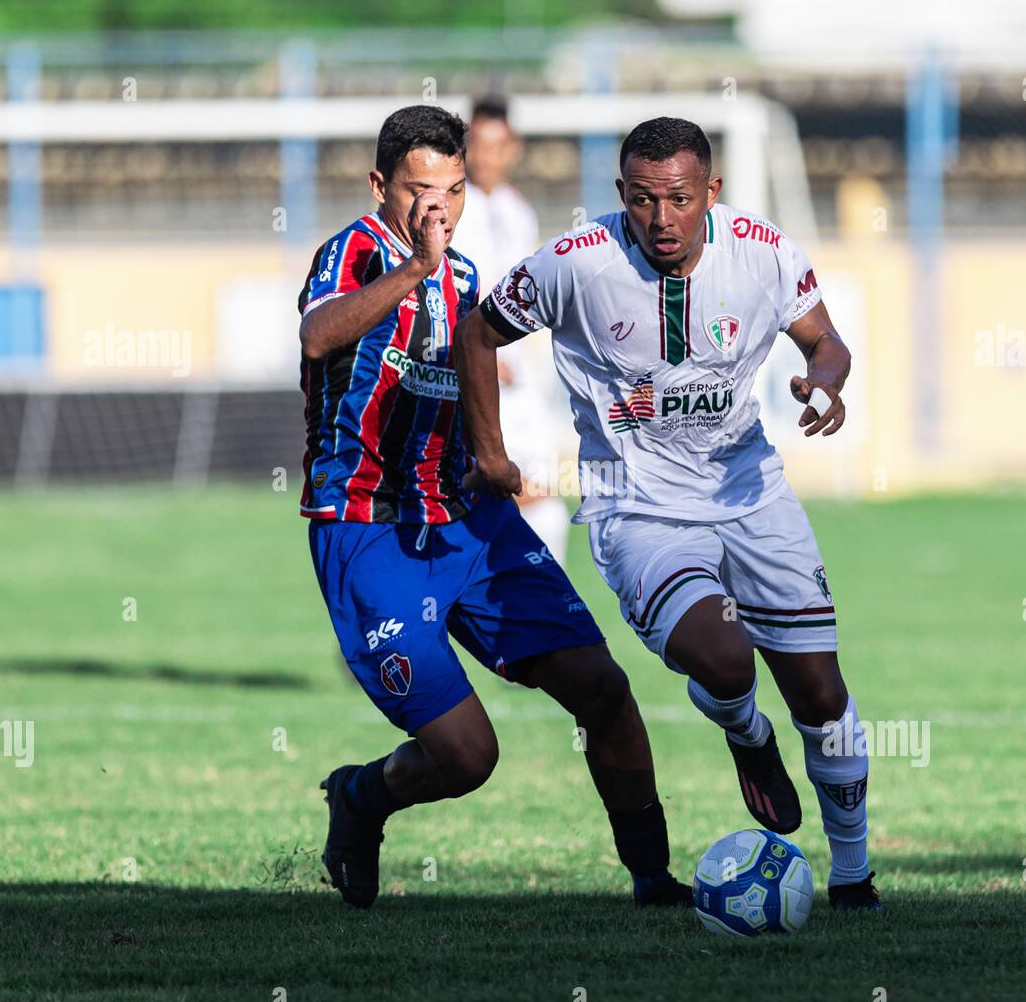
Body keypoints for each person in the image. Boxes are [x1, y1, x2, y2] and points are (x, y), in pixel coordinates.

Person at [453, 116, 882, 911]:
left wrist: (825, 383)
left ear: (710, 192)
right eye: (645, 200)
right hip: (640, 508)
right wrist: (490, 453)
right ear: (622, 194)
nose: (662, 218)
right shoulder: (574, 265)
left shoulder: (761, 251)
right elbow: (477, 334)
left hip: (751, 493)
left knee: (821, 694)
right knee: (724, 660)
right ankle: (747, 733)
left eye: (680, 199)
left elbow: (827, 343)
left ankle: (854, 876)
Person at [297, 104, 691, 910]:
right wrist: (411, 268)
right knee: (469, 756)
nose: (434, 209)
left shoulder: (469, 276)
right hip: (370, 533)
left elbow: (477, 371)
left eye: (449, 190)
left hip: (469, 521)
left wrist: (494, 459)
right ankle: (362, 798)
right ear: (380, 186)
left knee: (603, 687)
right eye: (416, 191)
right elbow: (316, 337)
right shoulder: (355, 252)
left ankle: (654, 878)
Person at [457, 98, 572, 569]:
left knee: (540, 500)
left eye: (497, 145)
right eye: (478, 146)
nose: (487, 156)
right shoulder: (450, 209)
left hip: (520, 381)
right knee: (523, 499)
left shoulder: (516, 210)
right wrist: (477, 352)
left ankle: (546, 625)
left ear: (514, 148)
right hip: (474, 373)